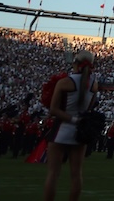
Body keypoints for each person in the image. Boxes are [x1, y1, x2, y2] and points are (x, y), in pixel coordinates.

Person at [42, 50, 97, 201]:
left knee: (53, 173)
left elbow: (54, 110)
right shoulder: (94, 84)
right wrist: (79, 121)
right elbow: (89, 110)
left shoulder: (65, 82)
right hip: (80, 133)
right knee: (76, 174)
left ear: (75, 63)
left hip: (62, 129)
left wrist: (73, 120)